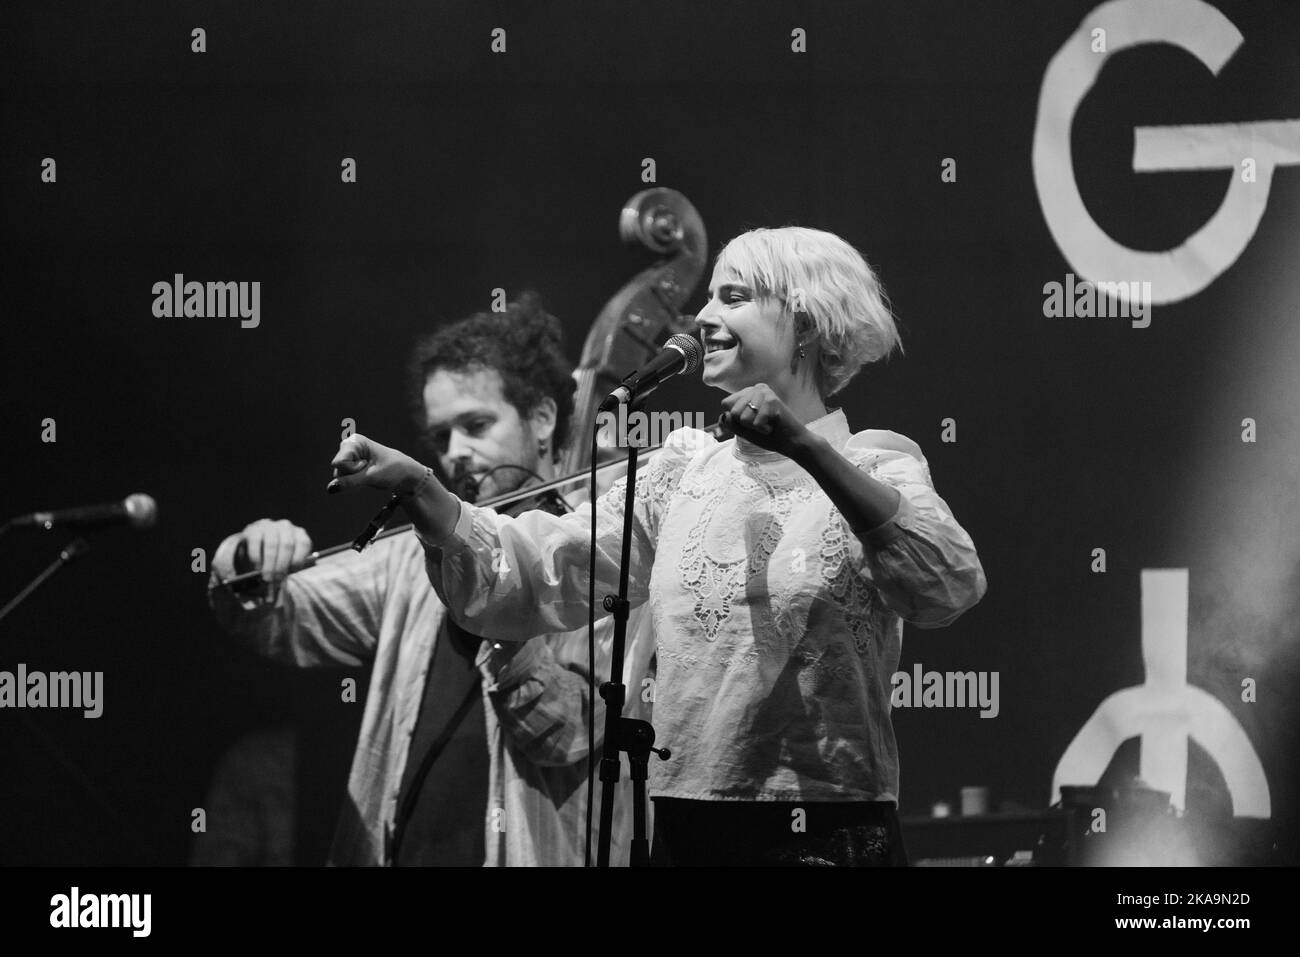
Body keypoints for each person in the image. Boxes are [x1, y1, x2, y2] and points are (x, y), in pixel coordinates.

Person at [327, 227, 987, 865]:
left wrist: (806, 447)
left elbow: (945, 585)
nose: (701, 316)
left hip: (827, 831)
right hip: (684, 827)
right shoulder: (682, 471)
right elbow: (538, 570)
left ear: (805, 321)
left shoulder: (874, 461)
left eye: (732, 296)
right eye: (707, 298)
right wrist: (424, 490)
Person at [207, 293, 650, 865]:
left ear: (541, 418)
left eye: (476, 424)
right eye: (441, 437)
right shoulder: (414, 557)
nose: (456, 452)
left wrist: (494, 613)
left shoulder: (597, 553)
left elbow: (568, 729)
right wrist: (250, 558)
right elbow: (281, 617)